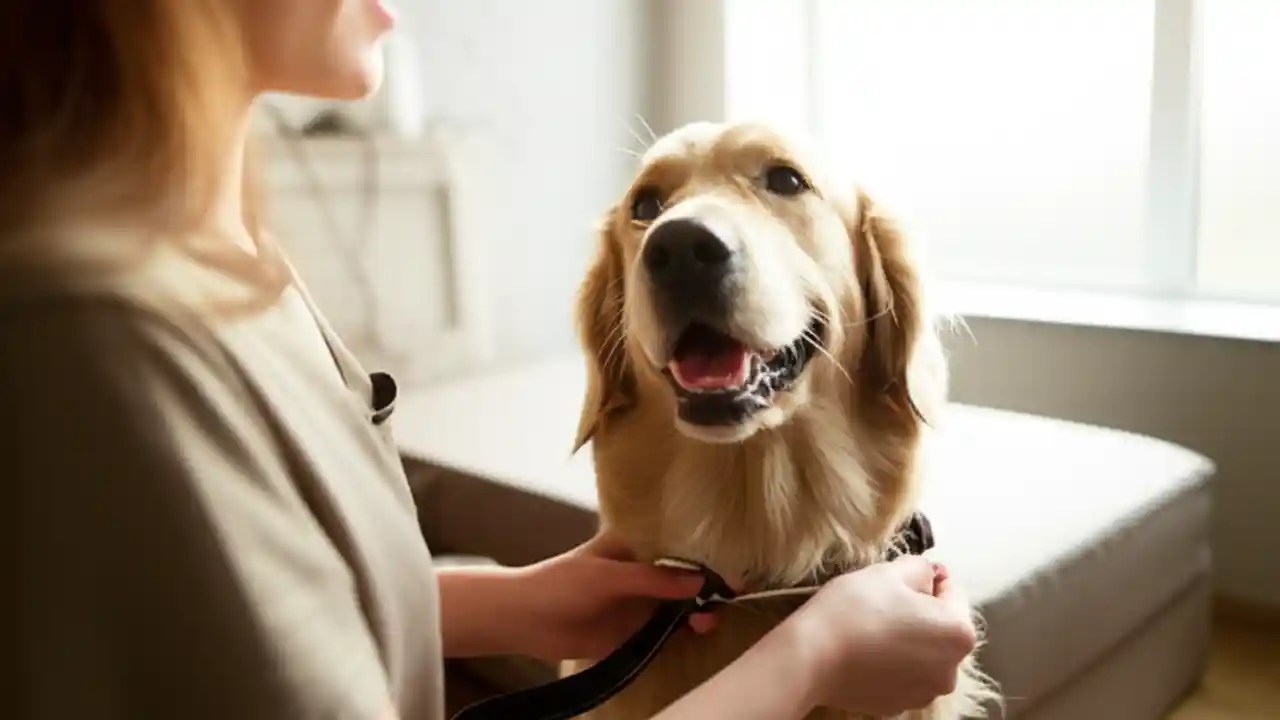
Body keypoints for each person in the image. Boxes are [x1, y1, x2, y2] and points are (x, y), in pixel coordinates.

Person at [4, 2, 977, 719]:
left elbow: (224, 618)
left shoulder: (245, 268)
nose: (682, 236)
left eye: (781, 183)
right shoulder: (85, 337)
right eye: (650, 211)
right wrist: (806, 663)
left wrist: (503, 606)